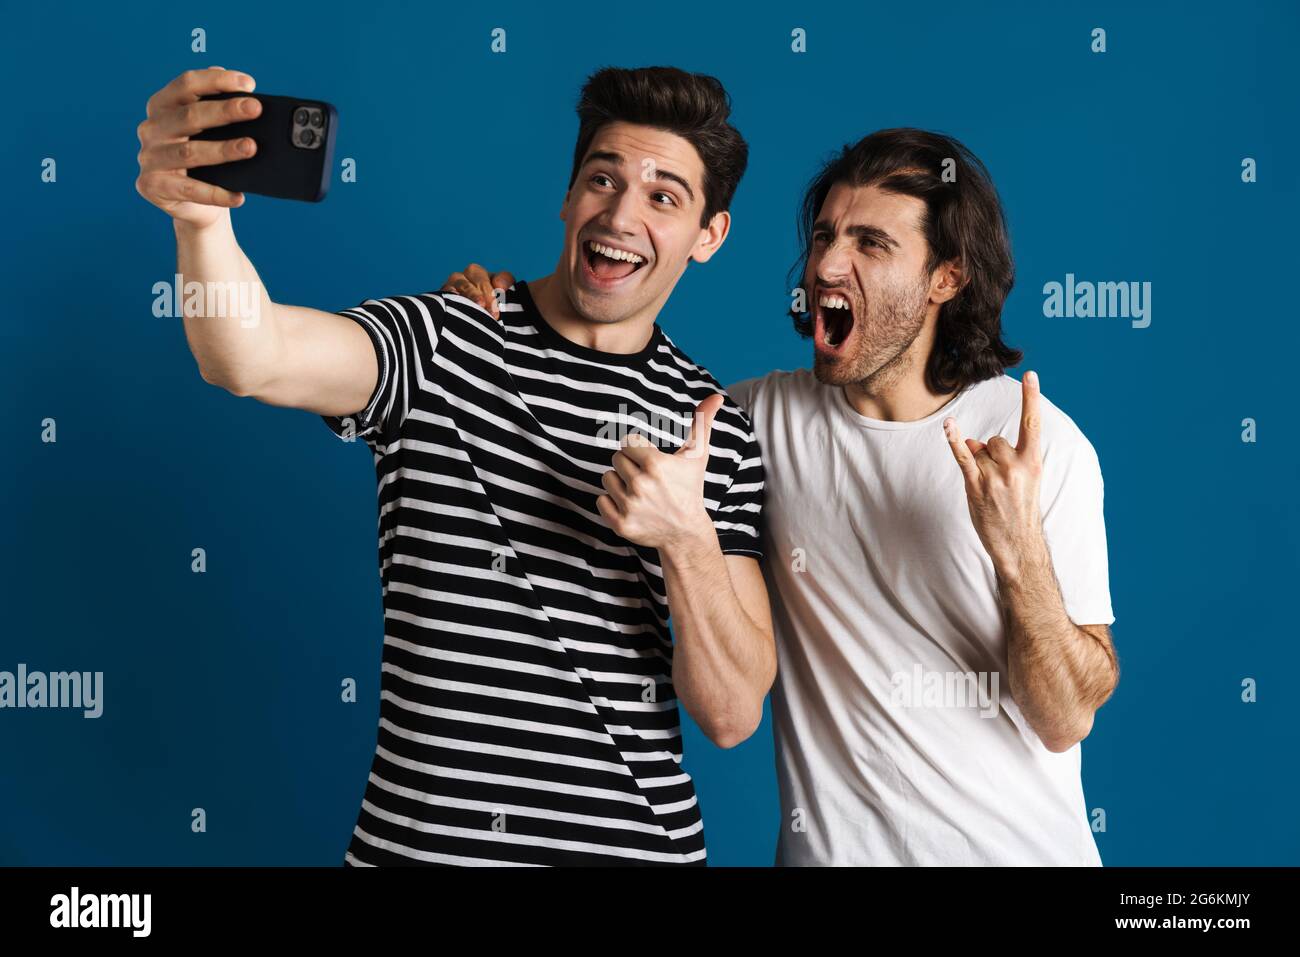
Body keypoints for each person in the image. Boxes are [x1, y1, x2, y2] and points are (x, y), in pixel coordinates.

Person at [134, 64, 775, 866]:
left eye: (663, 197)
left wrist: (686, 539)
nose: (620, 214)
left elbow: (731, 715)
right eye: (602, 178)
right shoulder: (446, 337)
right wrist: (199, 223)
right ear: (569, 195)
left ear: (709, 235)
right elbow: (250, 355)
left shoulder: (715, 427)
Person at [446, 127, 1120, 866]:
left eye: (871, 243)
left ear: (946, 277)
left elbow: (1063, 717)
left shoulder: (1034, 444)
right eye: (826, 236)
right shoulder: (749, 425)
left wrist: (1019, 552)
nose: (827, 263)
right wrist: (514, 317)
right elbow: (605, 382)